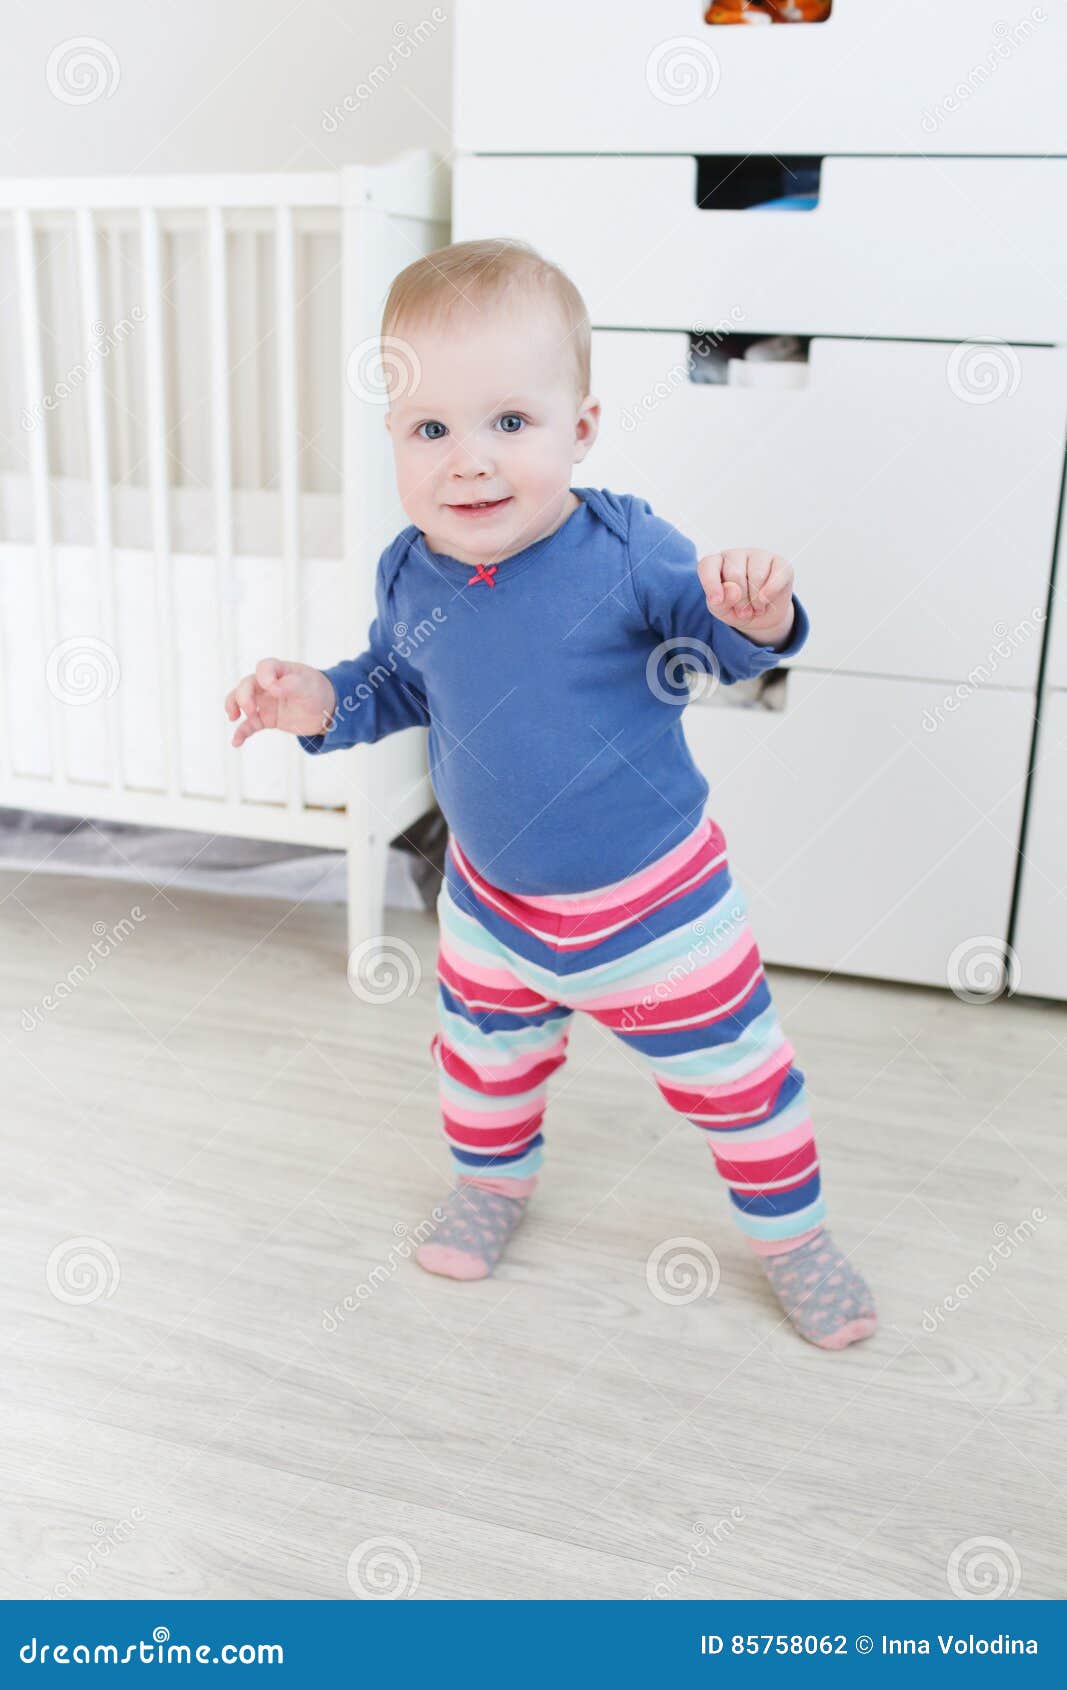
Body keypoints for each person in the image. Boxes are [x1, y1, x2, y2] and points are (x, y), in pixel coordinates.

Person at [224, 239, 876, 1350]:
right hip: (490, 906)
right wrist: (321, 702)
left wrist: (752, 615)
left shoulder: (623, 548)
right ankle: (491, 1184)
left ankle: (796, 1237)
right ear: (393, 440)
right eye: (430, 430)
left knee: (737, 1080)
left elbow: (710, 642)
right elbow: (393, 682)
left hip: (656, 907)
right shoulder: (408, 569)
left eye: (508, 424)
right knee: (480, 1067)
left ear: (579, 428)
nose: (468, 462)